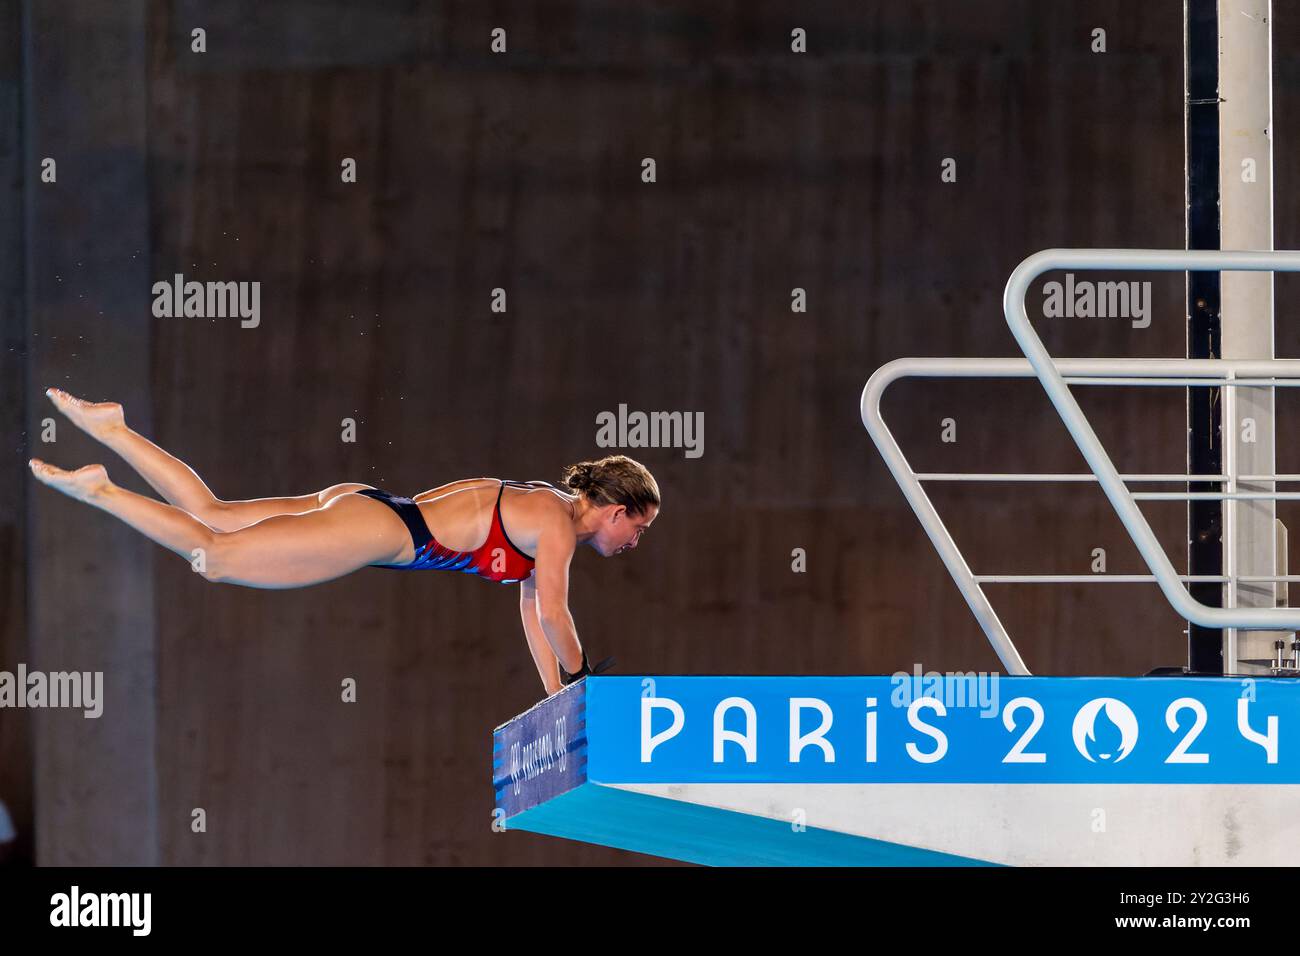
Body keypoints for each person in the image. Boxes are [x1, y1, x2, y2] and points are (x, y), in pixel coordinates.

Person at [28, 388, 659, 695]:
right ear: (616, 509)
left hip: (372, 509)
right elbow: (555, 610)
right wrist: (582, 679)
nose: (636, 542)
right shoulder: (554, 520)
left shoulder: (542, 515)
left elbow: (532, 612)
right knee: (213, 558)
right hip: (381, 529)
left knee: (211, 513)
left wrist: (558, 700)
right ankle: (103, 491)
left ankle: (113, 430)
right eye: (639, 527)